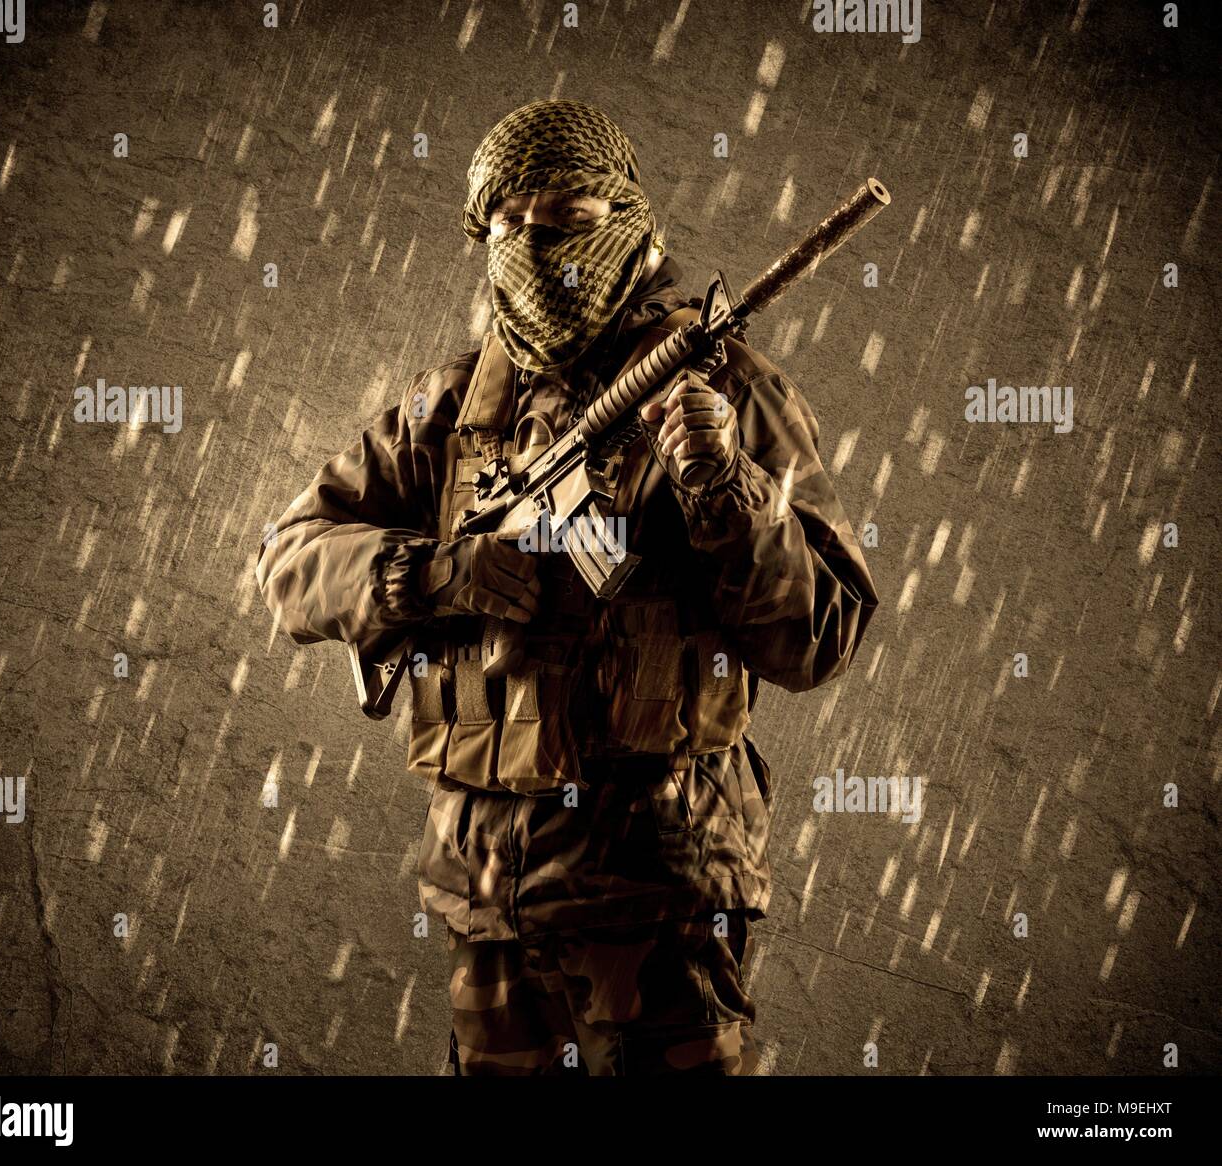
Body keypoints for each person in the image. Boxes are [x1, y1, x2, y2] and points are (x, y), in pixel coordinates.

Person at [256, 99, 879, 1075]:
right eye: (506, 226)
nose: (533, 247)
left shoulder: (725, 390)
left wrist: (727, 489)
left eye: (568, 221)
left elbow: (821, 637)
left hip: (656, 891)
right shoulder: (454, 406)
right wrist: (434, 573)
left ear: (628, 217)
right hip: (482, 894)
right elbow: (290, 560)